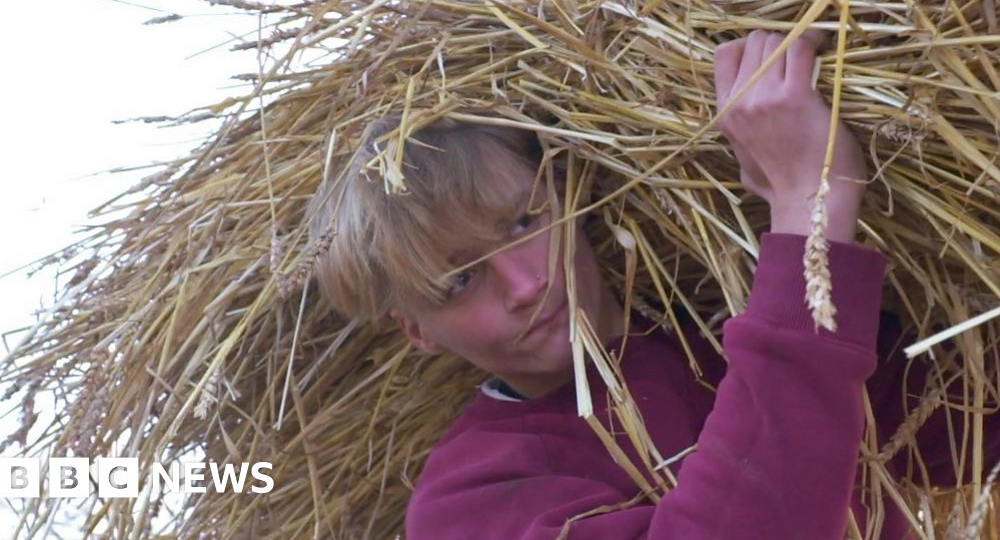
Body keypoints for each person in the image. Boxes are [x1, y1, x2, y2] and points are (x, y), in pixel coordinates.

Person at [308, 30, 999, 539]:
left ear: (569, 190)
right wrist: (808, 209)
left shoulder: (720, 326)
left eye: (525, 221)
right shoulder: (469, 500)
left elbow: (966, 423)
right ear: (417, 330)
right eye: (459, 281)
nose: (525, 283)